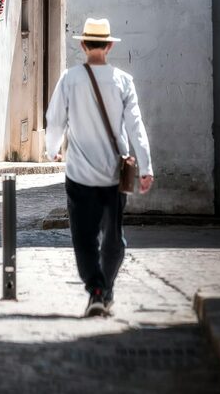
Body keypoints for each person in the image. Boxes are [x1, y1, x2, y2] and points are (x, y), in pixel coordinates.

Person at [45, 17, 154, 318]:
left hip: (79, 173)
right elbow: (136, 126)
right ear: (108, 46)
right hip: (112, 176)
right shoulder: (123, 81)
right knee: (113, 236)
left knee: (83, 236)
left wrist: (51, 150)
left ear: (82, 45)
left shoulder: (69, 79)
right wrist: (146, 166)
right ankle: (105, 290)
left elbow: (55, 121)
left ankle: (95, 288)